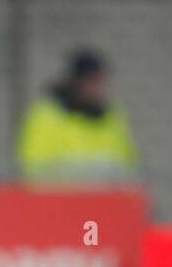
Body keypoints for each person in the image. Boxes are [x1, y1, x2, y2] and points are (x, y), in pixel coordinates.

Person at [17, 49, 139, 182]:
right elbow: (34, 167)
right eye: (92, 81)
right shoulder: (47, 115)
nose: (97, 88)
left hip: (105, 198)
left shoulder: (112, 115)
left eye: (101, 81)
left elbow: (128, 163)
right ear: (76, 82)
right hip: (62, 199)